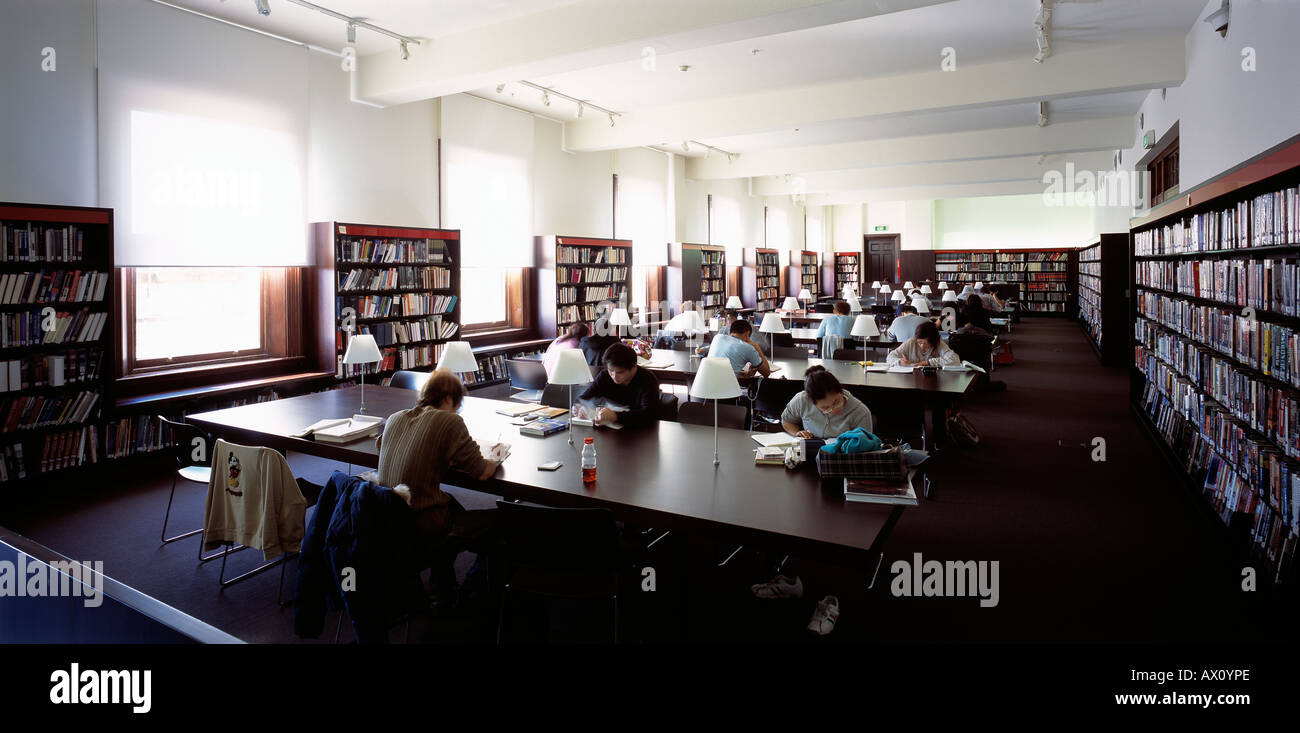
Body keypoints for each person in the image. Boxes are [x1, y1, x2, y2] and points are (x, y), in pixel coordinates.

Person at [376, 370, 506, 604]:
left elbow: (381, 446)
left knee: (450, 502)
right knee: (502, 523)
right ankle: (473, 592)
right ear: (448, 398)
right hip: (420, 524)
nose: (457, 410)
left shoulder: (395, 417)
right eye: (457, 404)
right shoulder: (450, 421)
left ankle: (443, 589)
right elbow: (481, 471)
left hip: (386, 521)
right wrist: (496, 459)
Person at [574, 342, 662, 428]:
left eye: (620, 372)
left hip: (639, 432)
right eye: (611, 370)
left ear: (634, 366)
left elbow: (649, 414)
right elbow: (586, 396)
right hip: (607, 431)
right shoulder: (605, 375)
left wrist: (616, 416)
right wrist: (578, 406)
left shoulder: (647, 379)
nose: (614, 376)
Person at [781, 365, 874, 439]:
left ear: (841, 391)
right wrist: (797, 433)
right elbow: (787, 421)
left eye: (837, 402)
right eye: (825, 408)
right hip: (810, 450)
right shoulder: (802, 400)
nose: (833, 410)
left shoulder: (860, 412)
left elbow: (865, 444)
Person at [706, 319, 773, 377]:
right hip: (725, 386)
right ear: (747, 334)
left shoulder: (717, 337)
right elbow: (767, 373)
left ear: (730, 332)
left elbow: (720, 369)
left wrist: (742, 374)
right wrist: (756, 346)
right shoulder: (748, 348)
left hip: (705, 382)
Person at [887, 320, 960, 367]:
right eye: (919, 342)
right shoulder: (911, 342)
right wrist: (899, 362)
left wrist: (928, 363)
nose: (922, 346)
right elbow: (890, 357)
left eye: (925, 343)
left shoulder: (938, 344)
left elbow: (955, 360)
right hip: (912, 379)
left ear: (933, 341)